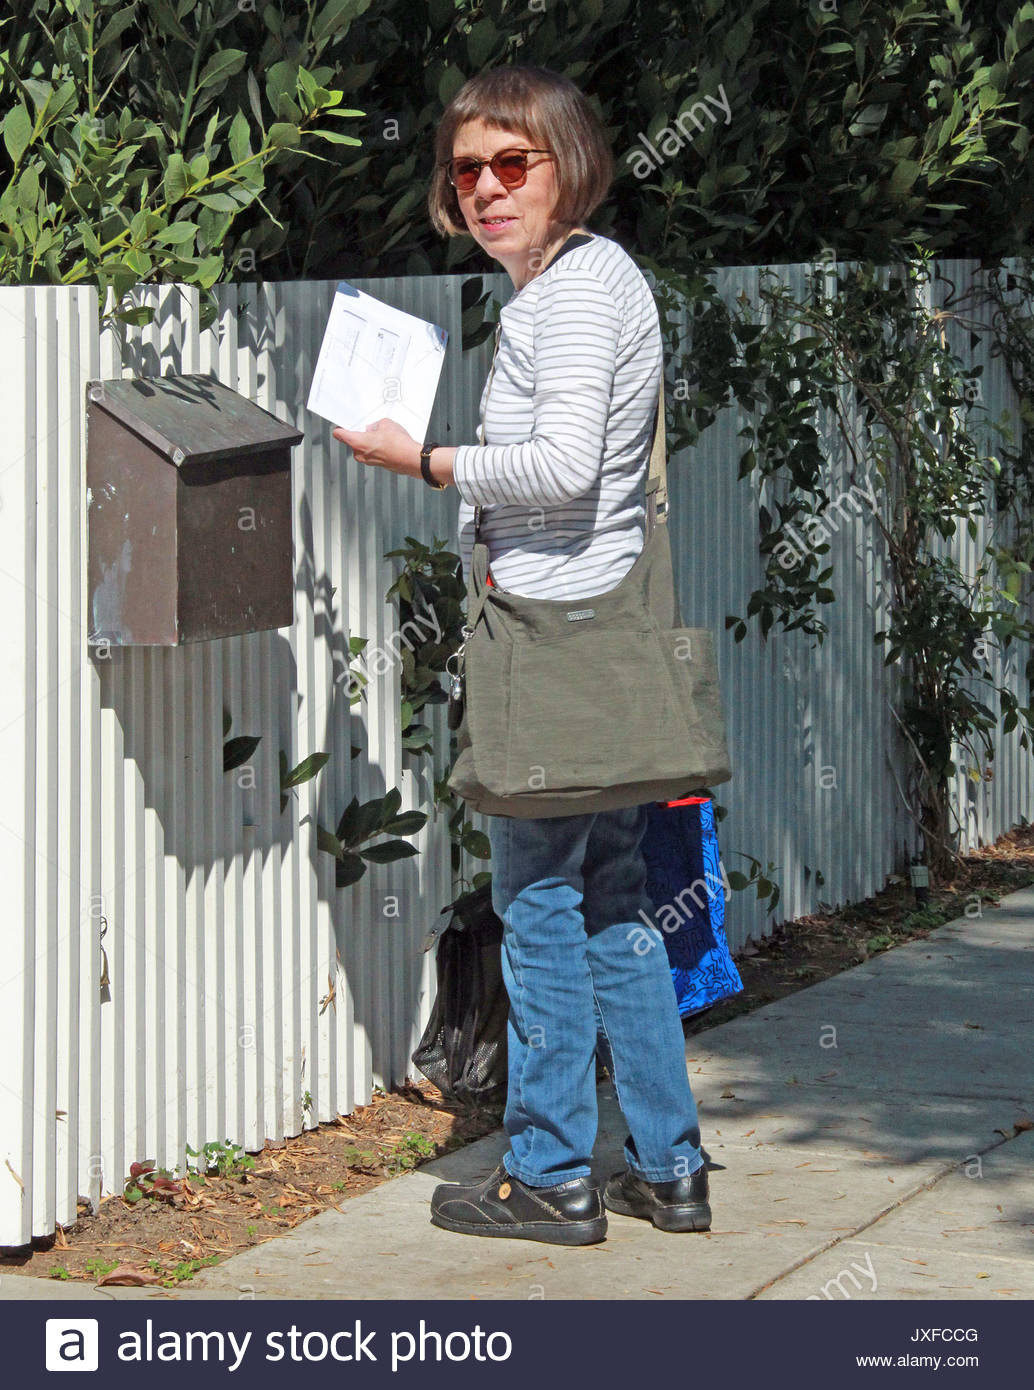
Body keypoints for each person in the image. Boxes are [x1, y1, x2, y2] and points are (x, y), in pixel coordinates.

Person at [333, 65, 710, 1246]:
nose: (488, 189)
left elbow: (561, 470)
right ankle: (667, 1165)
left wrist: (426, 462)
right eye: (467, 170)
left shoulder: (570, 298)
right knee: (611, 904)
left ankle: (550, 1172)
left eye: (513, 164)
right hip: (584, 627)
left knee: (538, 906)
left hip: (550, 641)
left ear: (568, 166)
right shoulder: (579, 283)